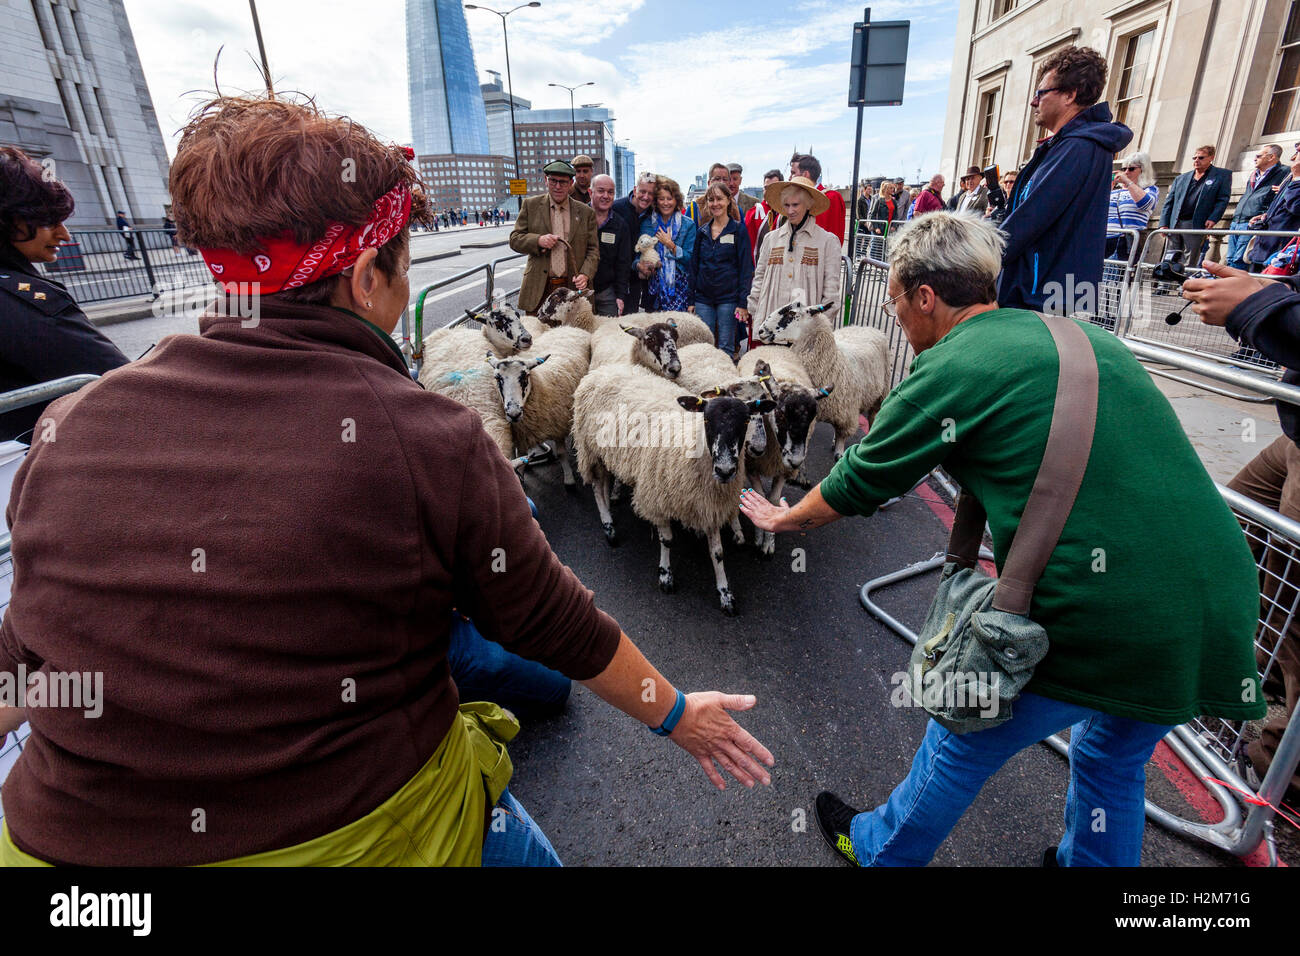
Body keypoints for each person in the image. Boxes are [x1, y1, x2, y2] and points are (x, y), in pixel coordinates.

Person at [0, 94, 774, 869]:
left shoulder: (71, 425)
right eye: (401, 267)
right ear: (370, 274)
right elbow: (547, 615)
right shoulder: (423, 436)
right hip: (358, 833)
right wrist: (677, 714)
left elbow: (24, 648)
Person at [741, 211, 1264, 867]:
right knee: (1112, 752)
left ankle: (878, 849)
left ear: (925, 297)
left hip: (1099, 608)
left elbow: (858, 480)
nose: (896, 320)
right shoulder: (1082, 338)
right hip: (1217, 596)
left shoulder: (951, 367)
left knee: (963, 737)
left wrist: (781, 518)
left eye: (896, 303)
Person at [1184, 261, 1300, 808]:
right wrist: (1267, 292)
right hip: (1295, 431)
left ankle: (1280, 772)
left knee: (1294, 607)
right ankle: (1244, 672)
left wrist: (1258, 307)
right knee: (1228, 534)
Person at [0, 147, 129, 444]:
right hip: (35, 458)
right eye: (48, 220)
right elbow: (119, 379)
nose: (65, 234)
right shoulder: (25, 302)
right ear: (9, 220)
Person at [998, 46, 1133, 312]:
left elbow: (1031, 218)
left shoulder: (1078, 147)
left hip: (1042, 297)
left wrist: (973, 260)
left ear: (1070, 95)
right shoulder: (1068, 145)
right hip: (1043, 292)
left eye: (1041, 93)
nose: (1034, 102)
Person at [508, 159, 598, 314]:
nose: (557, 186)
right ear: (545, 180)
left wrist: (585, 274)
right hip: (539, 289)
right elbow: (515, 239)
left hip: (571, 288)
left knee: (573, 336)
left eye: (563, 182)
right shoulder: (531, 205)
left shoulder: (585, 212)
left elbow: (593, 250)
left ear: (571, 183)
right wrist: (538, 241)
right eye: (553, 181)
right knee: (537, 337)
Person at [747, 175, 840, 320]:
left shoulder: (827, 242)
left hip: (806, 329)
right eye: (786, 205)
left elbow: (831, 292)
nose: (790, 211)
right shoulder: (771, 239)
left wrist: (818, 326)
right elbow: (759, 278)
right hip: (771, 326)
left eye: (795, 205)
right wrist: (755, 311)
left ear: (808, 204)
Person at [689, 182, 752, 356]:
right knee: (704, 347)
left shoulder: (738, 230)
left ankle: (726, 382)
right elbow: (694, 267)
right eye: (711, 200)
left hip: (728, 299)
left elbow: (746, 268)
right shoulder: (702, 232)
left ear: (729, 200)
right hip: (703, 299)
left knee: (726, 347)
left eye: (719, 199)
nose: (715, 203)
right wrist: (691, 301)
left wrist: (742, 303)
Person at [1158, 145, 1232, 267]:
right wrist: (1163, 223)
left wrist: (1213, 218)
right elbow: (1169, 202)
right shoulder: (1182, 178)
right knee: (1170, 256)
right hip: (1175, 222)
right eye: (1195, 158)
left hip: (1195, 222)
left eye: (1201, 157)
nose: (1196, 160)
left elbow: (1222, 199)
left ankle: (1184, 284)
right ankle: (1165, 284)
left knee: (1190, 257)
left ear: (1211, 158)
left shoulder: (1221, 175)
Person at [640, 175, 696, 312]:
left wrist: (671, 246)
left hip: (680, 290)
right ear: (656, 201)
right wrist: (644, 265)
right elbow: (640, 253)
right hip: (654, 290)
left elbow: (690, 260)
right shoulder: (647, 223)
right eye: (661, 199)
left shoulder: (688, 224)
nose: (666, 203)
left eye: (669, 198)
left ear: (676, 200)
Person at [1245, 144, 1300, 273]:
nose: (1293, 157)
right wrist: (1266, 215)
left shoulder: (1296, 176)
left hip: (1281, 248)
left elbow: (1296, 207)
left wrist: (1297, 179)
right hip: (1266, 244)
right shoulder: (1291, 176)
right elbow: (1283, 204)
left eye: (1298, 152)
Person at [612, 171, 657, 312]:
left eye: (651, 193)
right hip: (615, 279)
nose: (646, 197)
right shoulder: (616, 208)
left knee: (631, 322)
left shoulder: (653, 214)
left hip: (636, 281)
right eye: (642, 191)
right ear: (635, 189)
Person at [589, 173, 631, 317]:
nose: (606, 196)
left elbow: (623, 264)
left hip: (606, 292)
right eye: (601, 191)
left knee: (607, 334)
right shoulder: (578, 219)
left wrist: (620, 295)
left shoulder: (620, 225)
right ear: (591, 192)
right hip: (579, 290)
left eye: (610, 192)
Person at [1106, 151, 1159, 262]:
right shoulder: (1115, 191)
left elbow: (1145, 204)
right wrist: (1109, 186)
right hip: (1105, 240)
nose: (1126, 172)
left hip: (1125, 242)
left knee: (1118, 276)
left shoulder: (1150, 189)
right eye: (1124, 169)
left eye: (1131, 169)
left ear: (1143, 170)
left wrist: (1127, 181)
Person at [790, 153, 845, 247]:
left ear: (805, 174)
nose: (790, 177)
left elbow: (834, 240)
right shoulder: (793, 200)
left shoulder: (830, 197)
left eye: (793, 173)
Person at [745, 169, 783, 266]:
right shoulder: (754, 213)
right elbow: (746, 246)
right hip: (760, 269)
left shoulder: (789, 212)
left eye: (773, 187)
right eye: (766, 188)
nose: (769, 191)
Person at [867, 181, 898, 259]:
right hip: (880, 228)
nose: (892, 189)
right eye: (890, 188)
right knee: (876, 247)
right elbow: (873, 215)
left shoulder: (894, 201)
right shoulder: (879, 200)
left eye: (893, 188)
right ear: (885, 189)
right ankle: (873, 263)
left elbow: (896, 215)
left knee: (887, 248)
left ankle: (883, 264)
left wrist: (894, 225)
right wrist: (876, 227)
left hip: (889, 228)